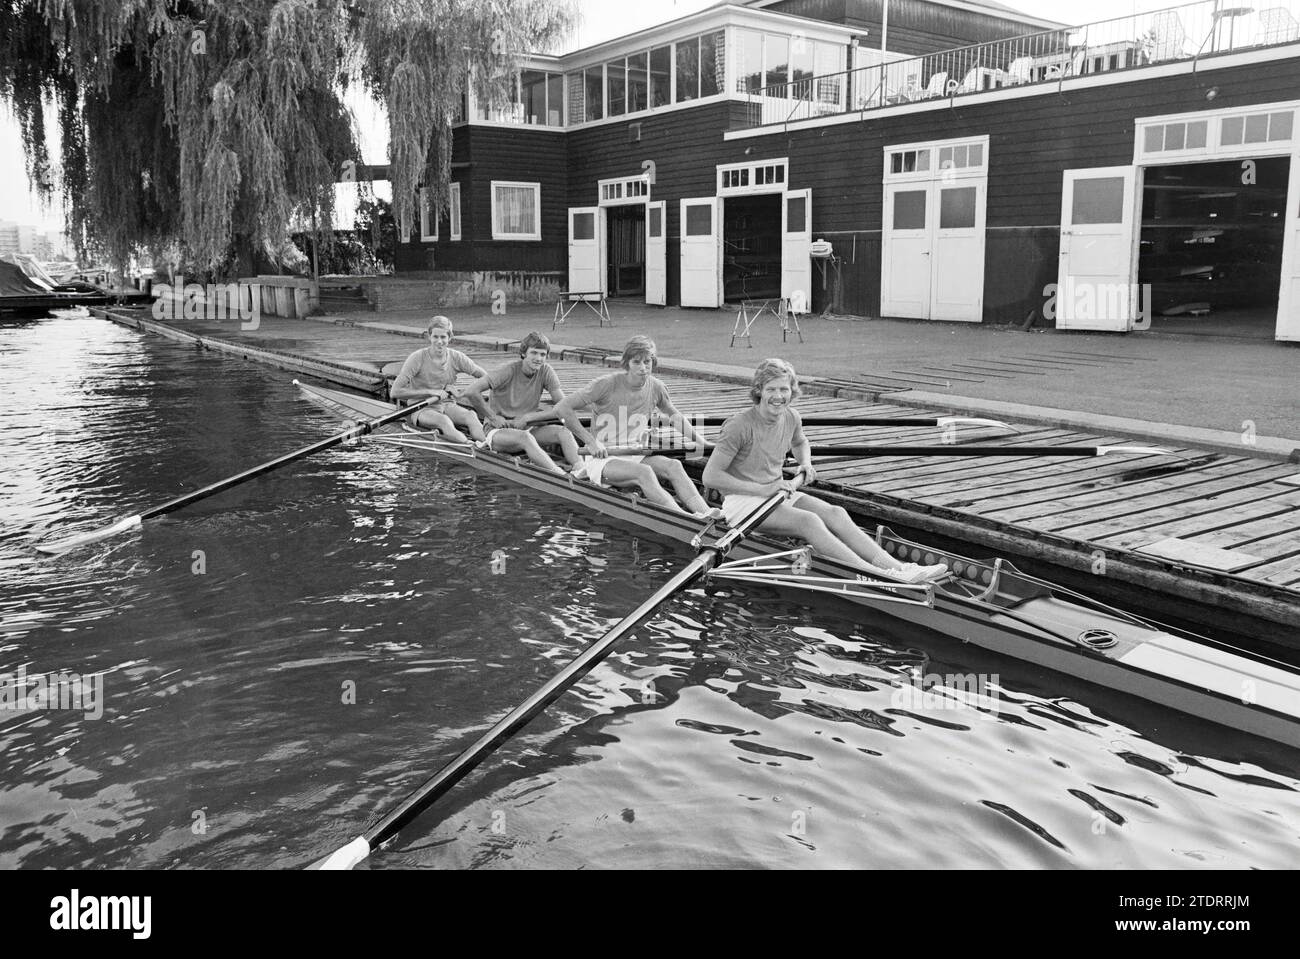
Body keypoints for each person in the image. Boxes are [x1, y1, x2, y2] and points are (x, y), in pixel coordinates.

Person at [702, 358, 949, 585]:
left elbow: (800, 442)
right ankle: (876, 576)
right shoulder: (738, 426)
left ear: (792, 391)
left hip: (777, 492)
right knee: (809, 522)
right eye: (771, 390)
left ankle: (898, 568)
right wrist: (763, 489)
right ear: (758, 392)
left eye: (784, 389)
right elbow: (710, 477)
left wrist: (805, 464)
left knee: (836, 512)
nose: (778, 396)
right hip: (743, 503)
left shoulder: (791, 417)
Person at [554, 336, 720, 518]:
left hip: (636, 453)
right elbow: (562, 408)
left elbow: (675, 417)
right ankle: (684, 518)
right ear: (627, 363)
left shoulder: (656, 387)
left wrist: (702, 442)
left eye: (647, 362)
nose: (643, 368)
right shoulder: (605, 384)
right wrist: (590, 442)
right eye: (637, 362)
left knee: (674, 465)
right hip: (603, 458)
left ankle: (707, 513)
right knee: (645, 472)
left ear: (653, 362)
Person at [463, 331, 583, 474]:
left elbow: (564, 407)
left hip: (526, 428)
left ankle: (582, 470)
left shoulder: (546, 371)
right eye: (534, 353)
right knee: (525, 437)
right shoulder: (507, 371)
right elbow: (471, 392)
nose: (538, 358)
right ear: (524, 353)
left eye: (543, 355)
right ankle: (560, 476)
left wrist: (528, 418)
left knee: (563, 432)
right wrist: (493, 418)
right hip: (498, 432)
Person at [389, 316, 487, 443]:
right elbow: (395, 392)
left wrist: (462, 392)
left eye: (443, 337)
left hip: (447, 405)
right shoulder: (417, 358)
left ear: (450, 338)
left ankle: (489, 445)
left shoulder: (457, 357)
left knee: (471, 415)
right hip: (421, 408)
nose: (439, 341)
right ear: (429, 336)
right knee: (444, 421)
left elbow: (486, 378)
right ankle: (472, 448)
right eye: (435, 337)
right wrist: (431, 392)